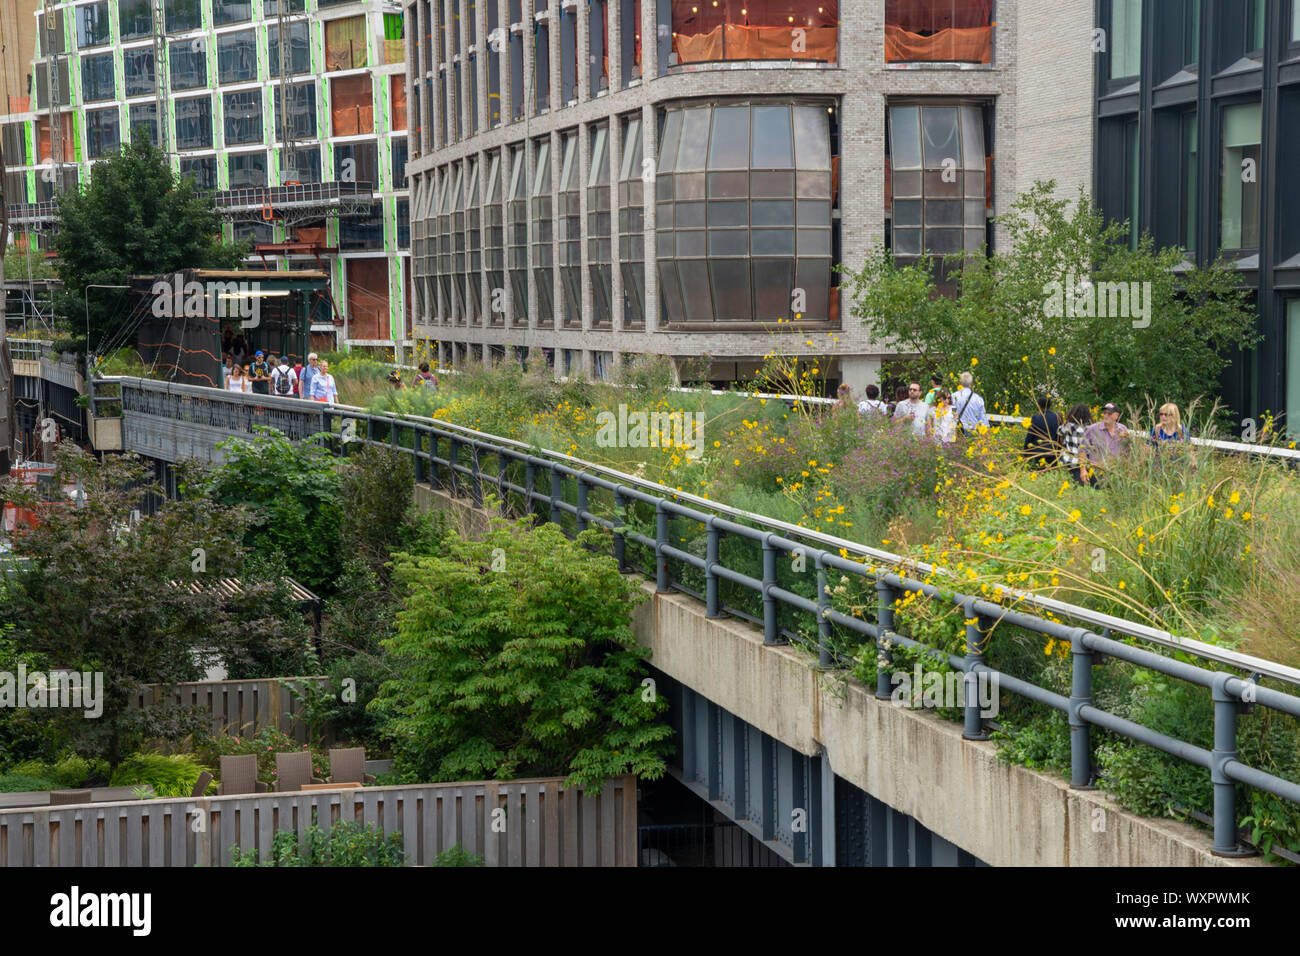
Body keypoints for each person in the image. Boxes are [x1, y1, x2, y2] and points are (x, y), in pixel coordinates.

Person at [1080, 402, 1130, 486]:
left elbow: (1128, 451)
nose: (1106, 415)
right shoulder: (1092, 429)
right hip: (1097, 475)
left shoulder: (1123, 429)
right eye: (1104, 413)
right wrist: (1083, 470)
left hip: (1117, 474)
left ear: (1116, 416)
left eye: (1109, 413)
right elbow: (1082, 450)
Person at [1023, 392, 1062, 469]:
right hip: (1054, 452)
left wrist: (1025, 452)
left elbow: (1029, 436)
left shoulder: (1036, 418)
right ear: (1049, 405)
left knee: (1041, 472)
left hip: (1039, 452)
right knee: (1053, 474)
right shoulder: (1058, 417)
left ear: (1039, 405)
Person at [1058, 404, 1092, 485]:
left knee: (1067, 485)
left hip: (1068, 461)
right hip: (1084, 463)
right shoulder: (1090, 428)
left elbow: (1059, 431)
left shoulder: (1069, 426)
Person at [951, 372, 989, 436]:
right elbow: (983, 419)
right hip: (974, 432)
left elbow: (953, 413)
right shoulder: (978, 399)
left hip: (959, 432)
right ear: (971, 384)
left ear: (960, 383)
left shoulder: (954, 397)